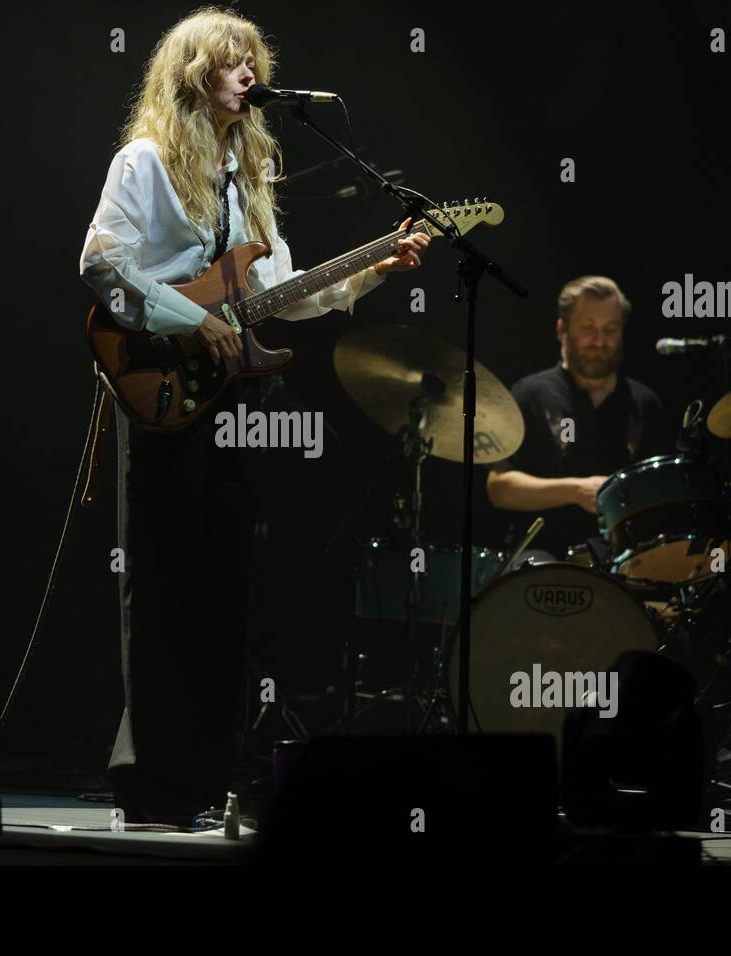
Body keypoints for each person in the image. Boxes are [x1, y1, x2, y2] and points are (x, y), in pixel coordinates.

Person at [78, 6, 428, 826]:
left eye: (252, 60)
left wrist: (376, 266)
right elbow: (101, 264)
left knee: (224, 584)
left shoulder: (250, 173)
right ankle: (149, 780)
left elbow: (285, 293)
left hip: (233, 394)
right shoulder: (146, 160)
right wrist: (188, 316)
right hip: (155, 381)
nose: (248, 73)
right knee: (161, 582)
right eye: (232, 60)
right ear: (194, 70)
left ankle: (200, 777)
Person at [486, 275, 670, 562]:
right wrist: (576, 491)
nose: (599, 340)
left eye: (610, 329)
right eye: (588, 328)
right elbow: (499, 489)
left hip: (626, 558)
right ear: (562, 329)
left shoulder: (644, 402)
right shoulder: (530, 393)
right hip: (544, 555)